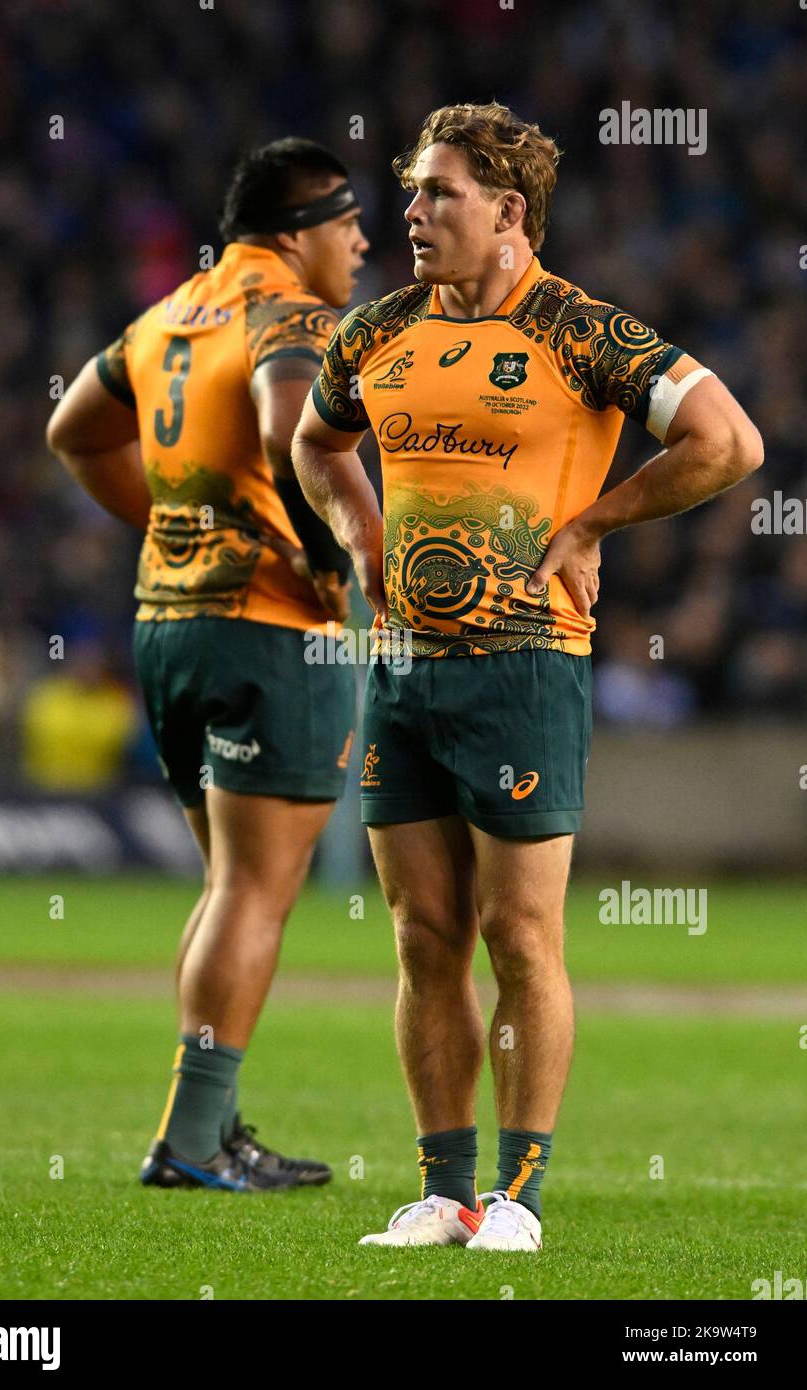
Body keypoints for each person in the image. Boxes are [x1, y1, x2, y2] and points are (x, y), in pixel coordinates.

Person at [292, 102, 762, 1247]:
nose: (408, 213)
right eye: (409, 192)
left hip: (524, 668)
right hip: (400, 670)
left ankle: (519, 1196)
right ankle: (443, 1191)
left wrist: (595, 522)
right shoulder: (377, 330)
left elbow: (726, 441)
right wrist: (358, 539)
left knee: (518, 935)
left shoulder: (577, 328)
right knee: (420, 934)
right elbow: (314, 442)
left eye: (437, 193)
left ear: (508, 211)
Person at [47, 138, 369, 1192]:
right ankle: (188, 1145)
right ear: (295, 231)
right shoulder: (294, 312)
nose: (363, 242)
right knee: (256, 891)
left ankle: (214, 1126)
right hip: (270, 626)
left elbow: (75, 431)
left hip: (167, 621)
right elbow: (290, 428)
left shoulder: (169, 313)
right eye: (346, 222)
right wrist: (327, 560)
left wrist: (176, 521)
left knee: (231, 882)